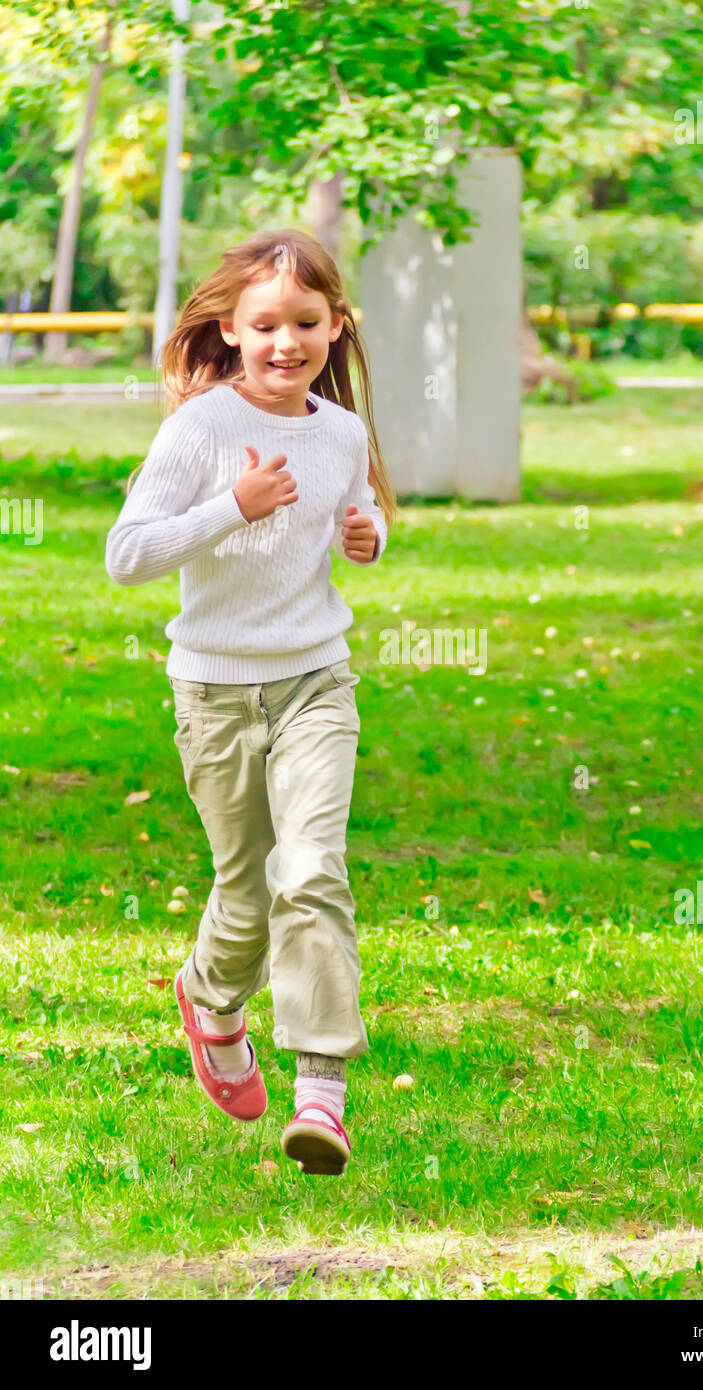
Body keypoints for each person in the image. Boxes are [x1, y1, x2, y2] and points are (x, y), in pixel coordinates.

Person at [105, 229, 397, 1176]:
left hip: (316, 679)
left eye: (305, 323)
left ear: (334, 325)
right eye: (265, 324)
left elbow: (358, 505)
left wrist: (369, 535)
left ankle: (322, 1090)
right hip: (216, 693)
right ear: (229, 330)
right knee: (245, 889)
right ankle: (211, 1001)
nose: (286, 343)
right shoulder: (201, 430)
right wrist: (234, 505)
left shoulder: (341, 430)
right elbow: (127, 556)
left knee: (310, 870)